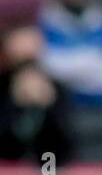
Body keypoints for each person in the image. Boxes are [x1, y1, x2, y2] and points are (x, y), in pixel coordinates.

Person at [0, 25, 71, 165]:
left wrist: (44, 109)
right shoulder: (3, 88)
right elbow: (7, 151)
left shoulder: (56, 89)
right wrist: (17, 106)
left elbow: (55, 161)